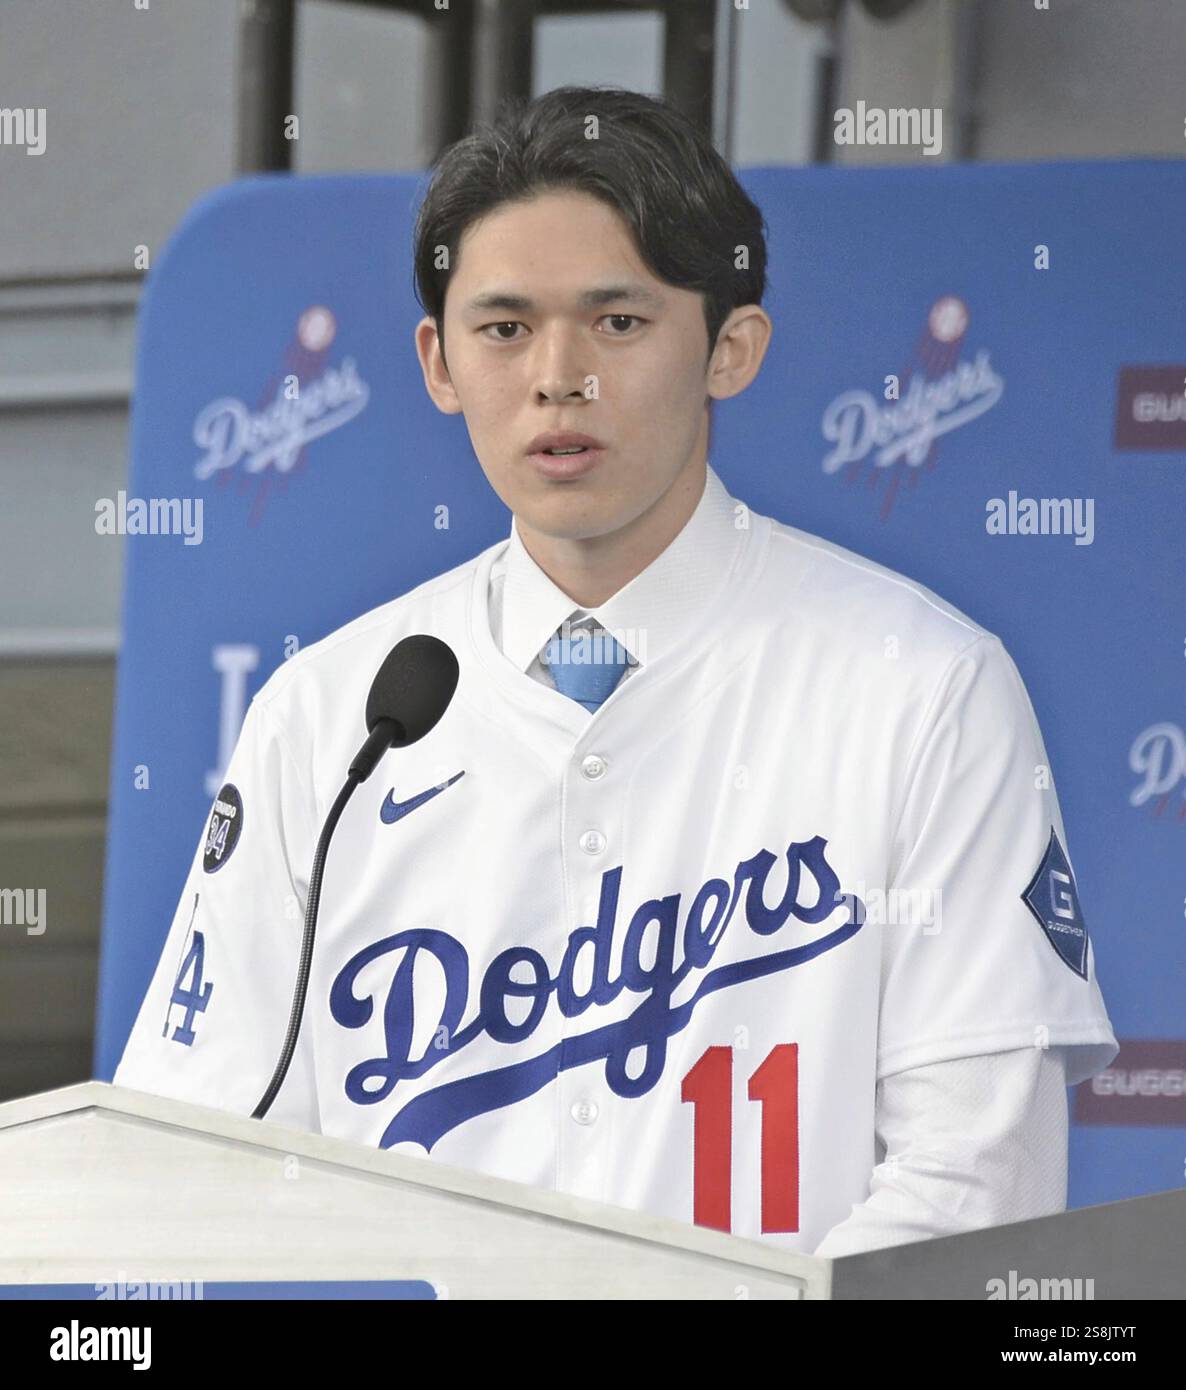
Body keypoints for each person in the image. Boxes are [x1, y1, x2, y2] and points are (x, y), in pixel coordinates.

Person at [114, 85, 1118, 1257]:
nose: (558, 377)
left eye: (618, 322)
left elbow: (974, 1191)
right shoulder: (329, 715)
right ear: (438, 362)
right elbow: (188, 1152)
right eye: (503, 327)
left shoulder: (922, 684)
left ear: (729, 348)